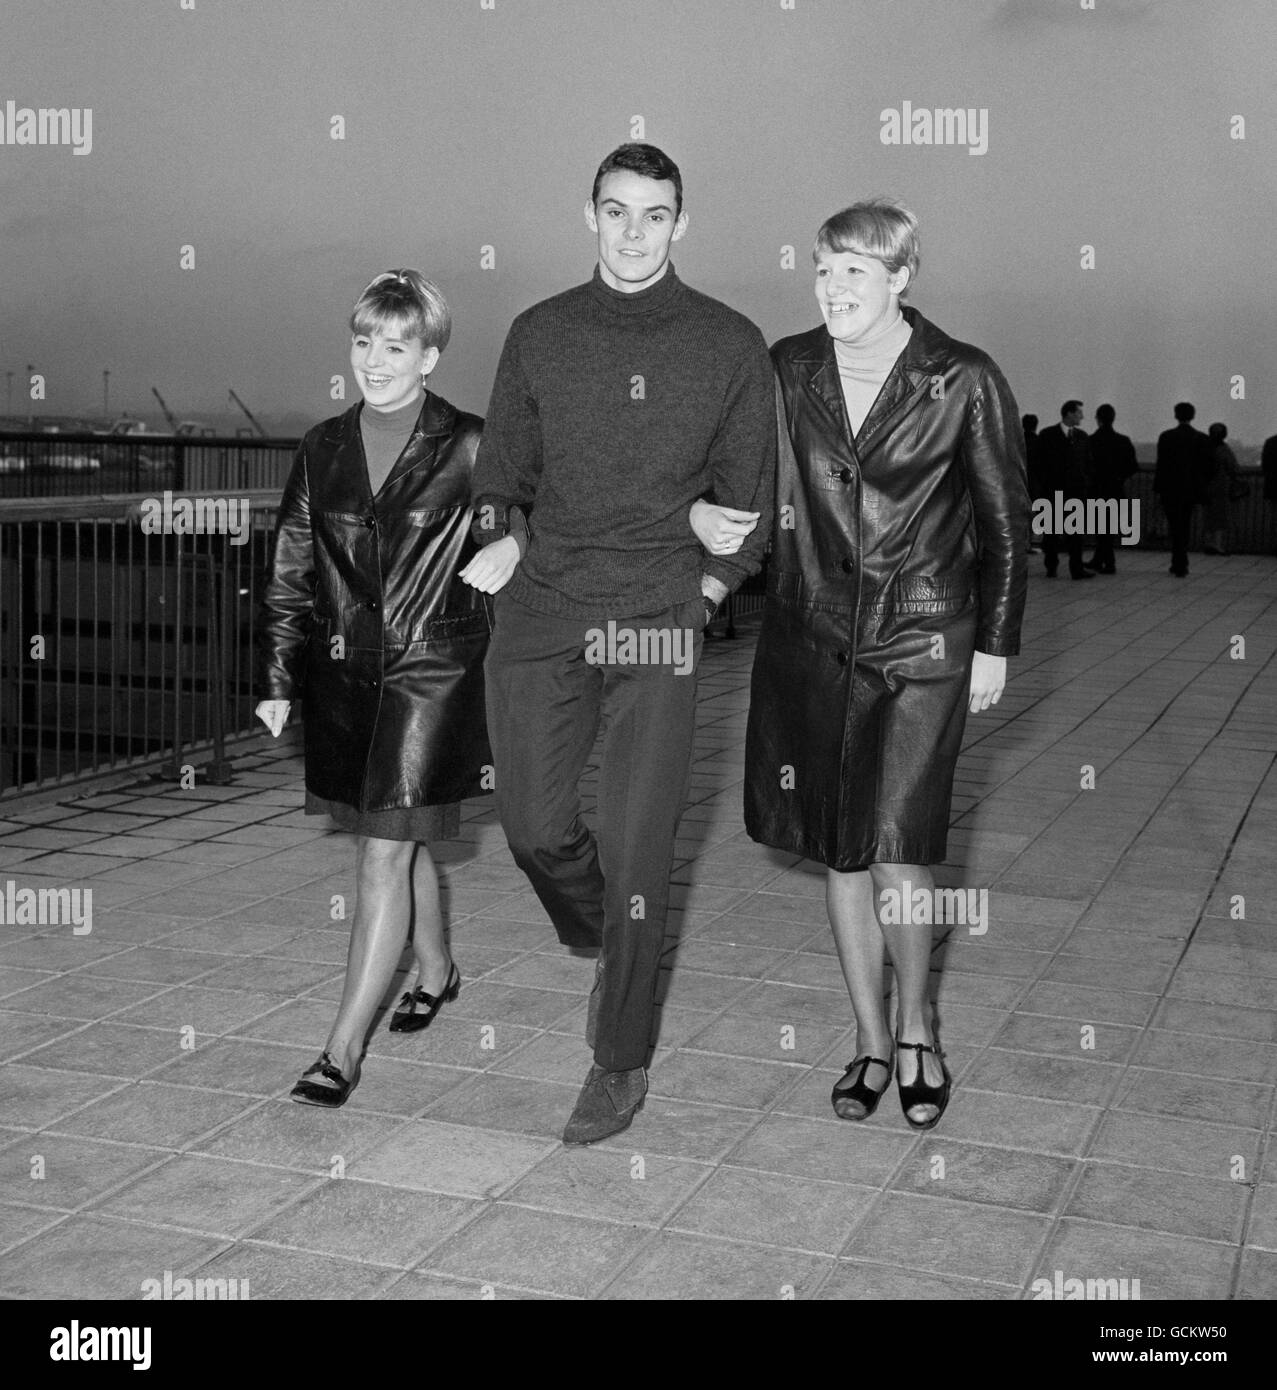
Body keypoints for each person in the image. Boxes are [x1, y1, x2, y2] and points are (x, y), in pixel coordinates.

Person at [461, 143, 774, 1145]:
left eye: (654, 214)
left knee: (642, 848)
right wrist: (499, 540)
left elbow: (749, 505)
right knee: (532, 827)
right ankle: (599, 925)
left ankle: (620, 1055)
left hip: (653, 621)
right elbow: (496, 480)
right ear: (587, 216)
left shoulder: (726, 343)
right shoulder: (538, 333)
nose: (634, 232)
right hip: (544, 610)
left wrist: (710, 587)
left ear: (681, 223)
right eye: (616, 212)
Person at [744, 198, 1028, 1131]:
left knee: (900, 849)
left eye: (854, 272)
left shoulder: (962, 378)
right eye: (823, 271)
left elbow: (1003, 526)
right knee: (840, 849)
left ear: (901, 277)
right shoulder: (787, 368)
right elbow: (736, 473)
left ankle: (917, 1032)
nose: (832, 289)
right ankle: (867, 1040)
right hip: (812, 639)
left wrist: (993, 643)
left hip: (923, 644)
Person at [255, 270, 492, 1107]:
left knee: (383, 850)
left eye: (395, 345)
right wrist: (280, 673)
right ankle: (434, 967)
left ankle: (340, 1049)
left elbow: (531, 521)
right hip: (346, 676)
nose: (375, 360)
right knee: (397, 833)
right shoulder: (322, 445)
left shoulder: (469, 442)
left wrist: (514, 549)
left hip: (433, 674)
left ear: (429, 355)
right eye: (363, 342)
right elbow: (290, 565)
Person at [1036, 401, 1094, 579]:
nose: (1081, 417)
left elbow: (1088, 463)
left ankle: (1073, 567)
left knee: (1072, 533)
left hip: (1073, 491)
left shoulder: (1053, 435)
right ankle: (1054, 565)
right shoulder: (1050, 435)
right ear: (1069, 414)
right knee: (1053, 532)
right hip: (1054, 491)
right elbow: (1040, 464)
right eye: (1078, 413)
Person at [1154, 402, 1212, 577]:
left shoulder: (1166, 437)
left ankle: (1178, 560)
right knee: (1185, 524)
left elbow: (1161, 465)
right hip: (1191, 490)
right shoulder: (1202, 439)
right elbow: (1209, 466)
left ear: (1176, 415)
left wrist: (1159, 488)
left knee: (1174, 525)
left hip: (1170, 489)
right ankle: (1181, 560)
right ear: (1192, 416)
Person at [1084, 403, 1138, 573]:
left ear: (1098, 419)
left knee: (1100, 528)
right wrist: (1120, 477)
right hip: (1115, 488)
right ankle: (1102, 560)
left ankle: (1107, 562)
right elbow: (1132, 466)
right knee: (1109, 527)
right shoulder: (1123, 441)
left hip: (1096, 489)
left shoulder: (1091, 441)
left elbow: (1085, 466)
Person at [1202, 422, 1240, 555]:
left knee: (1208, 516)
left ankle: (1208, 542)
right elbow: (1233, 467)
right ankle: (1217, 545)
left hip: (1205, 486)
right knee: (1220, 517)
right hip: (1220, 486)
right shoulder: (1224, 449)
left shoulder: (1204, 448)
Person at [1022, 414, 1043, 553]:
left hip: (1020, 481)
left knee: (1021, 514)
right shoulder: (1039, 441)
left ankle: (1024, 543)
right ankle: (1034, 541)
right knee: (1035, 513)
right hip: (1035, 481)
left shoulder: (1017, 440)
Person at [1264, 432, 1277, 554]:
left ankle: (1273, 546)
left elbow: (1265, 465)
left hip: (1273, 486)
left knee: (1274, 518)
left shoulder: (1270, 442)